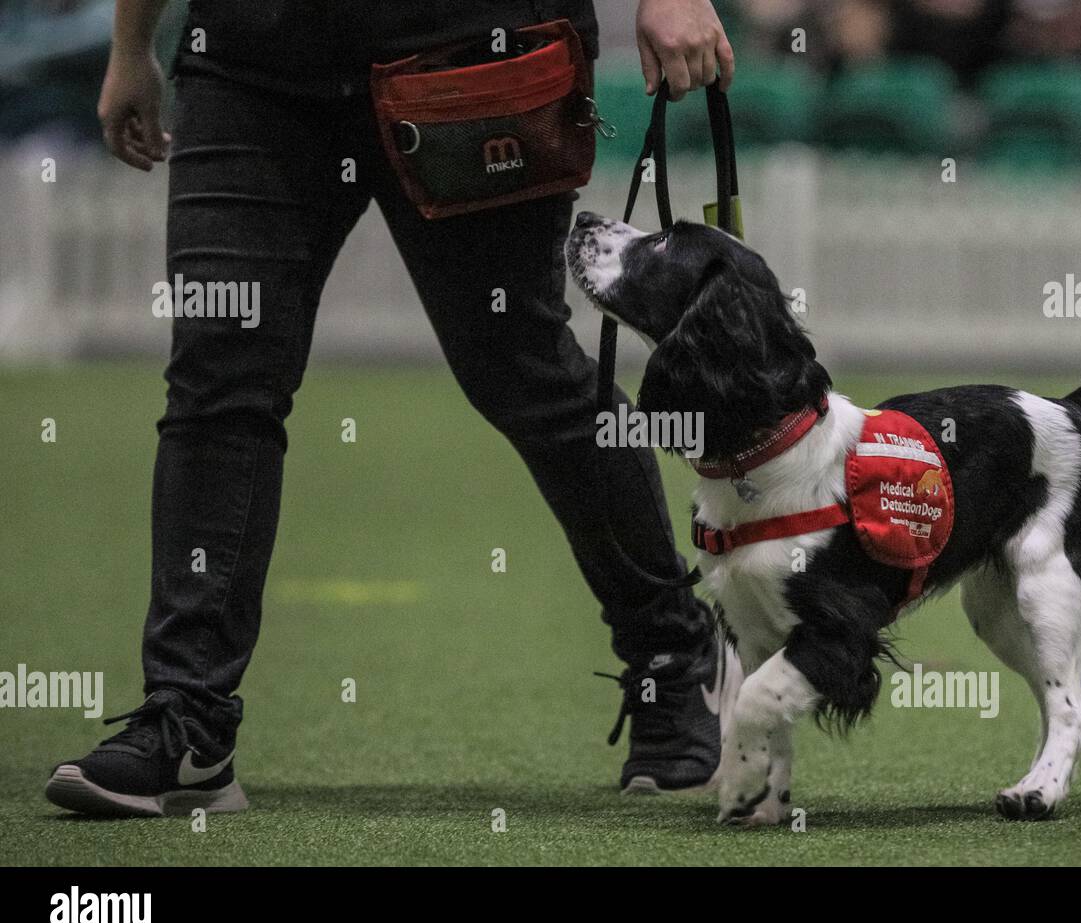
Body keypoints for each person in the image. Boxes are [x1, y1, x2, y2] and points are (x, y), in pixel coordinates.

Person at [44, 0, 736, 816]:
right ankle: (188, 718)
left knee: (523, 375)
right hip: (251, 61)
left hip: (472, 48)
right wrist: (133, 43)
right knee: (217, 381)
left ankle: (672, 655)